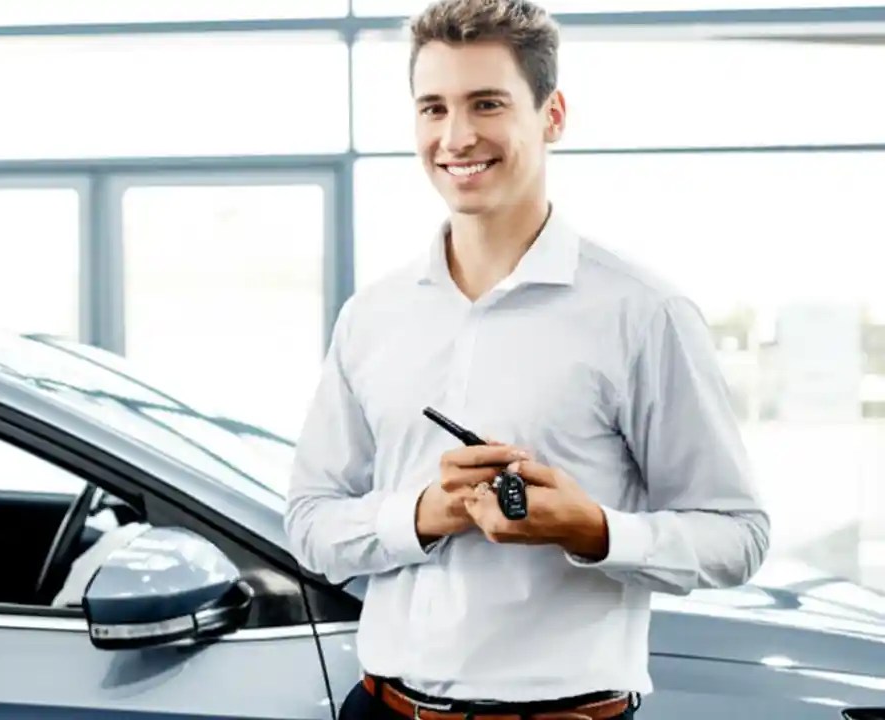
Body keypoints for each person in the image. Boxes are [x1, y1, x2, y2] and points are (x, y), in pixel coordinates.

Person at [283, 0, 771, 718]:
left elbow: (738, 536)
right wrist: (422, 513)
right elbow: (309, 523)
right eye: (432, 108)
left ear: (553, 116)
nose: (456, 137)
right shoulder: (372, 317)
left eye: (487, 104)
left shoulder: (643, 314)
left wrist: (593, 528)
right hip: (382, 709)